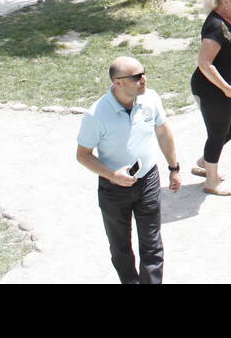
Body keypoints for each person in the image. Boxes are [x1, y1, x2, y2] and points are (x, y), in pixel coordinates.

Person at [76, 57, 182, 284]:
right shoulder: (96, 115)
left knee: (152, 245)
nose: (143, 80)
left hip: (148, 181)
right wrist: (113, 175)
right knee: (120, 248)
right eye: (136, 77)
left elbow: (163, 132)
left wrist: (174, 168)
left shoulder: (150, 99)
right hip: (113, 189)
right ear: (118, 82)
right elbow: (82, 155)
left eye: (143, 73)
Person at [190, 0, 231, 196]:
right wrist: (225, 87)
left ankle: (206, 160)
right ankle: (211, 181)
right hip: (212, 88)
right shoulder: (215, 25)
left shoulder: (229, 18)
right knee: (218, 131)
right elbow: (204, 63)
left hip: (228, 87)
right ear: (225, 1)